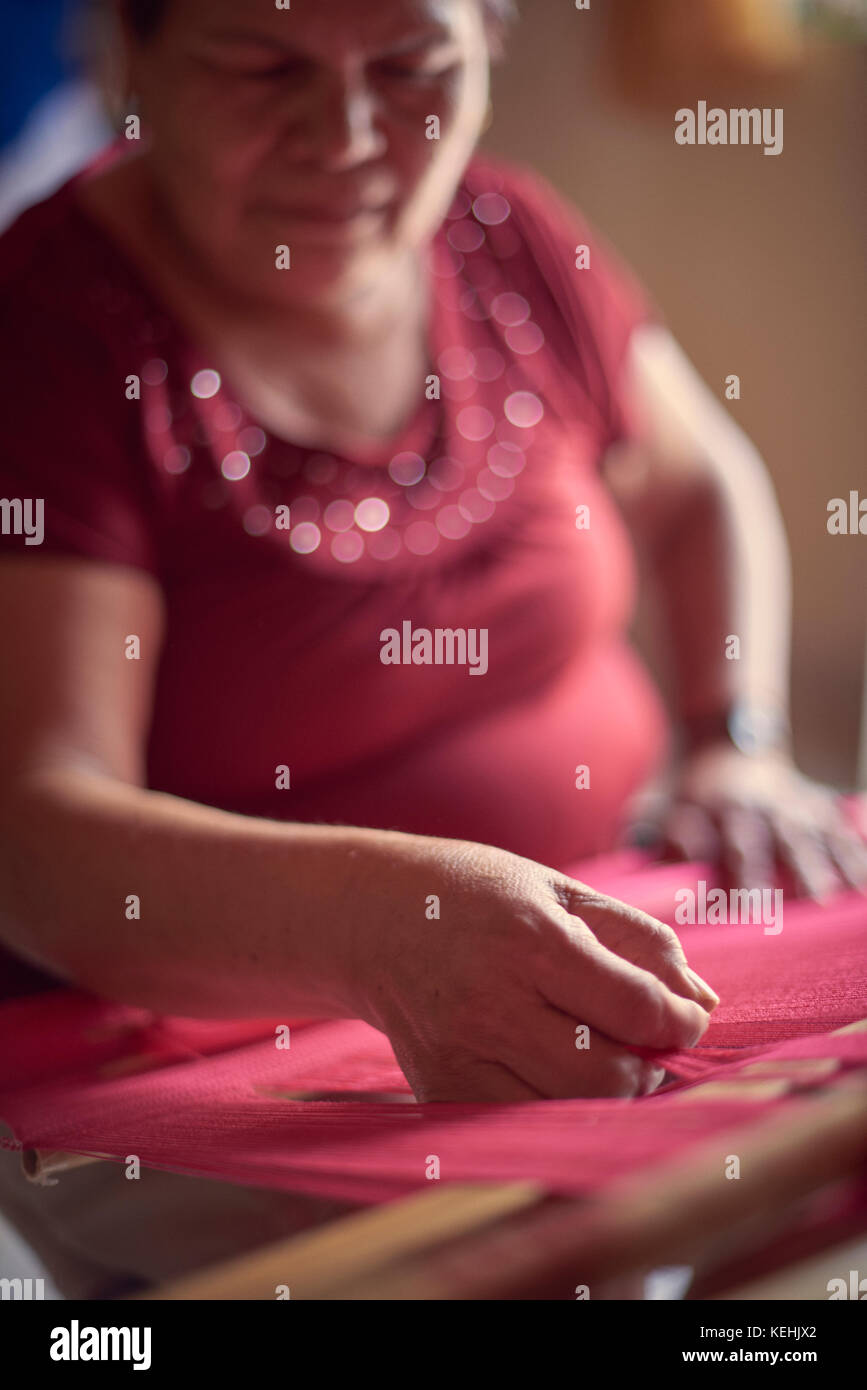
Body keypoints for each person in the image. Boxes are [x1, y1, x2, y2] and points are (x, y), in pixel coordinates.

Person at [1, 0, 865, 1117]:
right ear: (134, 52)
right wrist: (384, 928)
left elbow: (702, 483)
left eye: (414, 69)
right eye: (264, 69)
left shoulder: (502, 230)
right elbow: (36, 836)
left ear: (490, 53)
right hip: (236, 1046)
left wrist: (732, 737)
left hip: (628, 894)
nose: (348, 136)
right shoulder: (49, 341)